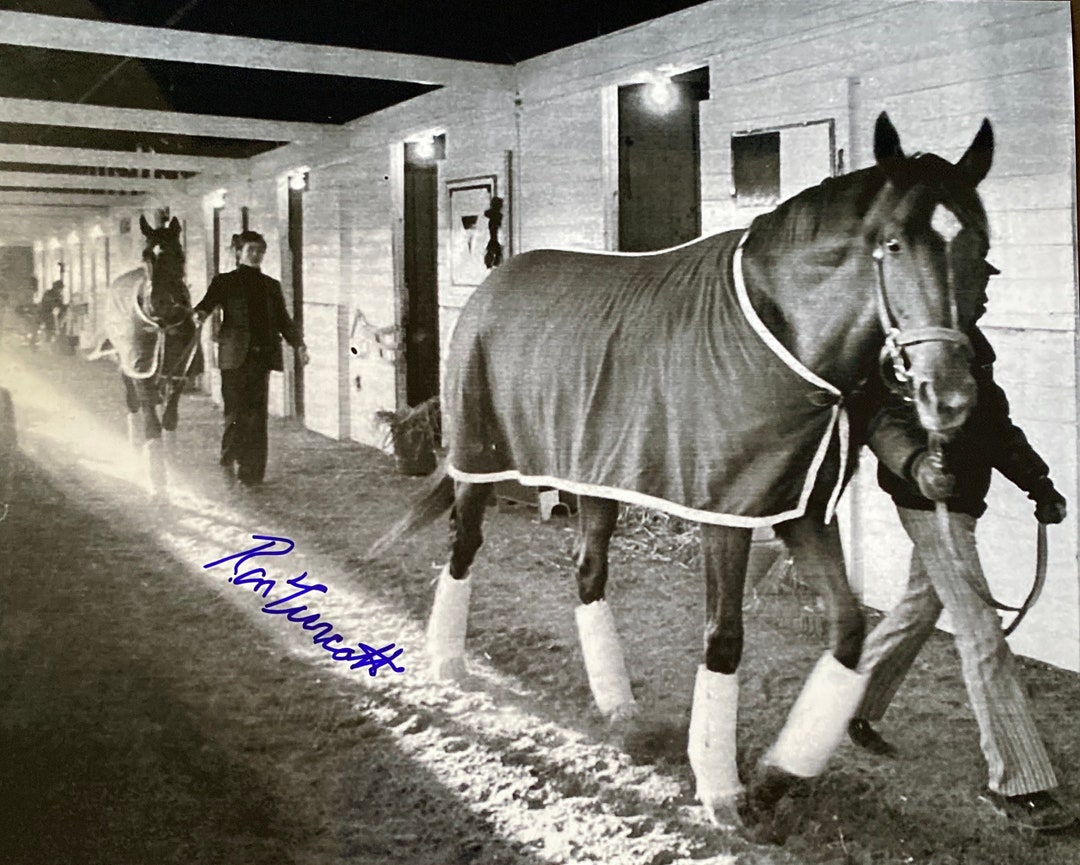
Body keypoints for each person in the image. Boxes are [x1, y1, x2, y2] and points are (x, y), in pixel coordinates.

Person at [848, 255, 1075, 832]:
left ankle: (846, 707)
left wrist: (1039, 483)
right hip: (929, 504)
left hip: (961, 504)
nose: (985, 294)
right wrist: (916, 463)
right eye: (977, 284)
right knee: (981, 634)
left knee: (918, 609)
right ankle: (1019, 783)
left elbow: (997, 428)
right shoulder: (904, 345)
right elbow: (878, 418)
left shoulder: (969, 346)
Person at [193, 230, 309, 486]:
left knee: (257, 416)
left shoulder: (271, 286)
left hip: (261, 358)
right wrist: (199, 315)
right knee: (235, 412)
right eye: (250, 250)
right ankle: (229, 454)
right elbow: (206, 305)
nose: (256, 255)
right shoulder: (224, 282)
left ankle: (252, 473)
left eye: (259, 251)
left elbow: (283, 320)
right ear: (239, 253)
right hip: (233, 357)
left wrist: (299, 344)